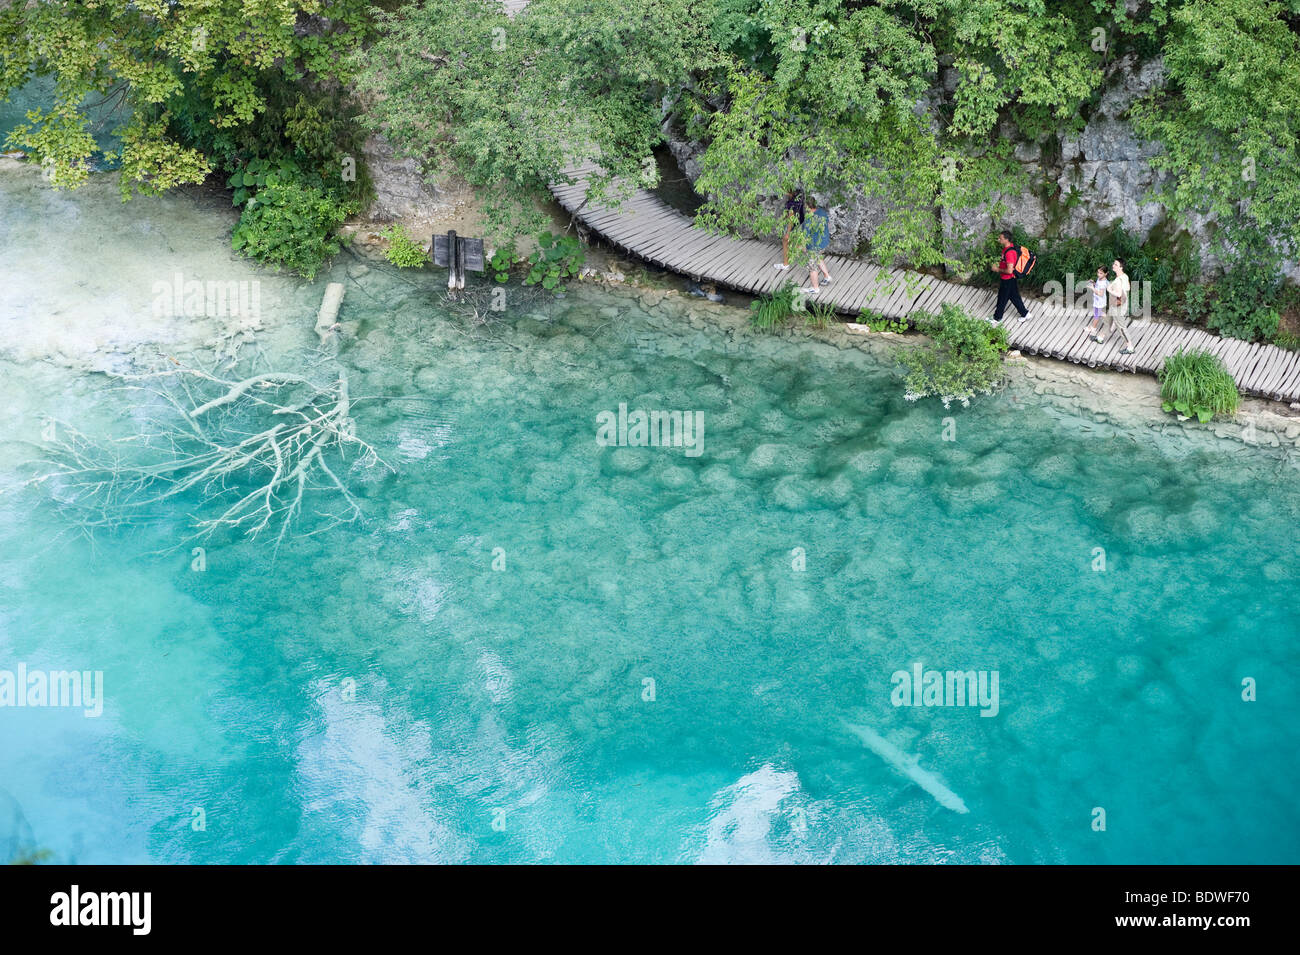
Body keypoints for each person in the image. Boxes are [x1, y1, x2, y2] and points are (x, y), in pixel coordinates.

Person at [990, 230, 1033, 324]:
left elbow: (1009, 270)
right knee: (1014, 297)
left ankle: (996, 318)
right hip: (1010, 279)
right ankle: (1025, 314)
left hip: (1008, 279)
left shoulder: (1009, 253)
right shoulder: (1008, 248)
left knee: (1002, 298)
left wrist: (997, 269)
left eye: (1000, 238)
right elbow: (1005, 263)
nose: (998, 240)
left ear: (1006, 239)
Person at [1093, 258, 1135, 354]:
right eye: (1114, 264)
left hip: (1118, 307)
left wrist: (1109, 289)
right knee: (1108, 320)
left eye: (1116, 264)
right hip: (1115, 305)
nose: (1113, 265)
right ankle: (1101, 337)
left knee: (1121, 327)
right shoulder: (1124, 276)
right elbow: (1128, 288)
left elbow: (1119, 294)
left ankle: (1130, 347)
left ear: (1121, 267)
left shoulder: (1120, 279)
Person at [800, 198, 833, 294]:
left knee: (812, 267)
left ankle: (815, 288)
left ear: (807, 207)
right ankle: (827, 276)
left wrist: (802, 247)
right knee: (818, 258)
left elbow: (805, 235)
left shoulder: (809, 219)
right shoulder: (822, 212)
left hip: (814, 246)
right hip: (823, 242)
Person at [775, 189, 805, 270]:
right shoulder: (799, 199)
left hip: (792, 225)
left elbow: (790, 219)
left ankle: (785, 264)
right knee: (796, 242)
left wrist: (787, 232)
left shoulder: (791, 204)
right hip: (799, 223)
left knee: (785, 241)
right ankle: (809, 253)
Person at [1084, 266, 1108, 339]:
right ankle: (1109, 319)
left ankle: (1093, 328)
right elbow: (1097, 286)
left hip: (1100, 301)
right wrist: (1094, 283)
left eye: (1101, 273)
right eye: (1098, 272)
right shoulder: (1100, 279)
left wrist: (1092, 288)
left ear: (1106, 274)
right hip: (1097, 300)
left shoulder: (1103, 283)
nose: (1098, 274)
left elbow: (1100, 294)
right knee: (1097, 313)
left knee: (1096, 315)